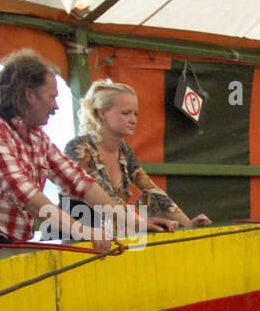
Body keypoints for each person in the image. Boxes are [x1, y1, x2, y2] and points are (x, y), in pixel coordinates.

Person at [0, 49, 164, 256]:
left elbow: (79, 181)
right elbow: (22, 192)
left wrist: (136, 222)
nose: (56, 106)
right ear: (29, 95)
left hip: (10, 239)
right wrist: (84, 231)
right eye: (52, 97)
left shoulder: (34, 135)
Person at [60, 80, 212, 230]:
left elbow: (151, 189)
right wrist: (142, 223)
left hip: (105, 237)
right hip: (69, 238)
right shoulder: (78, 148)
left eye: (135, 113)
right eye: (126, 113)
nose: (133, 120)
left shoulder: (123, 149)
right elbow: (104, 197)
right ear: (102, 112)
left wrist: (188, 223)